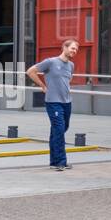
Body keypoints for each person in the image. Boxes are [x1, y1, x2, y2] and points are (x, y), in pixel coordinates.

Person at [27, 38, 79, 171]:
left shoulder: (71, 65)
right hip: (53, 102)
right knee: (59, 129)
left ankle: (54, 161)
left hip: (67, 102)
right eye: (72, 48)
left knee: (59, 129)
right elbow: (30, 71)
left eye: (76, 49)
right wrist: (42, 85)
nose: (75, 51)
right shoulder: (50, 62)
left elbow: (68, 79)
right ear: (65, 47)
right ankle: (61, 161)